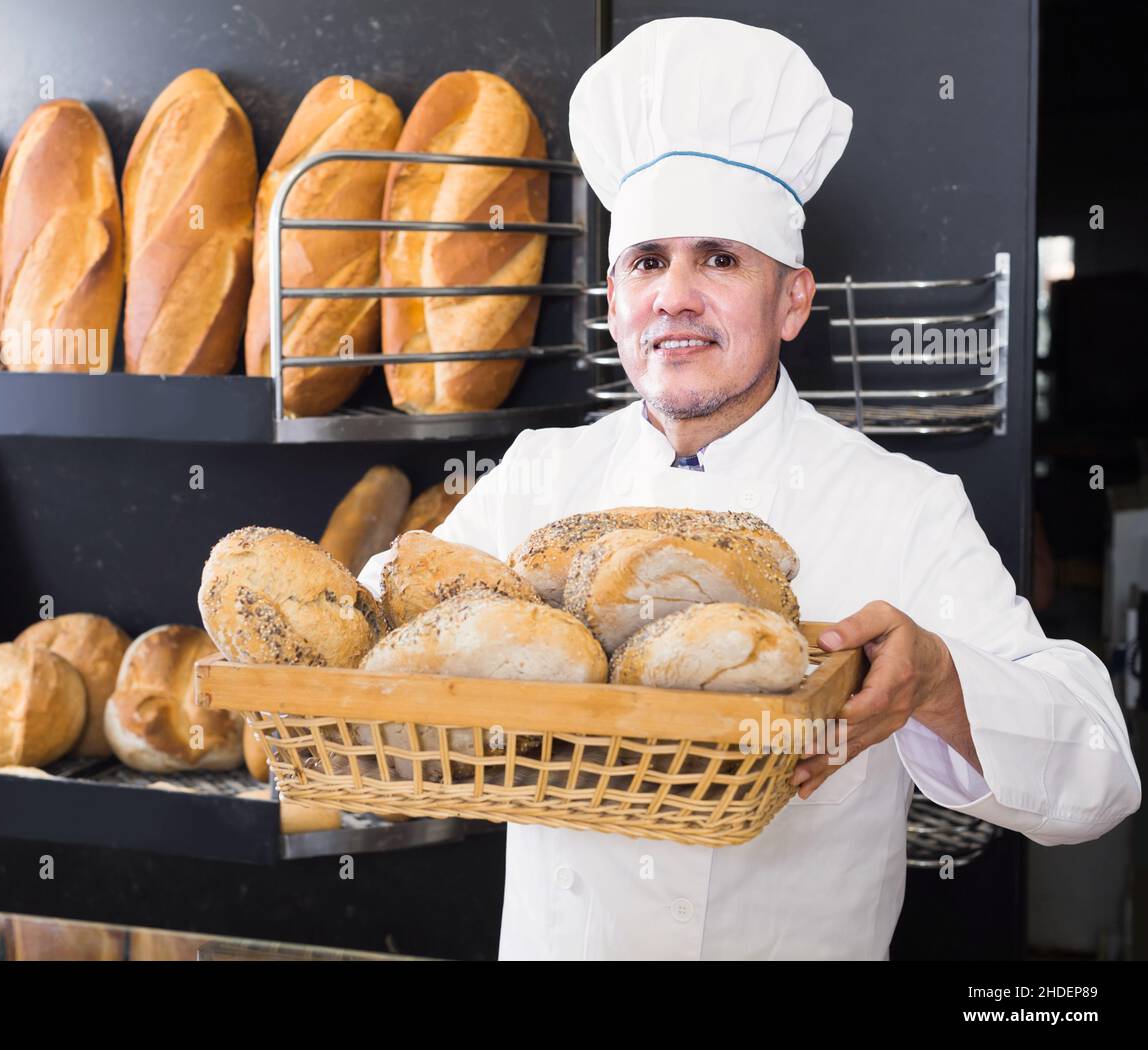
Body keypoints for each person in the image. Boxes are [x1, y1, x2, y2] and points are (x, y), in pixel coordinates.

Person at [358, 16, 1141, 960]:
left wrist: (936, 680)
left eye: (719, 258)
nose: (675, 295)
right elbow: (366, 643)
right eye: (648, 262)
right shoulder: (539, 480)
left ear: (794, 301)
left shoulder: (899, 506)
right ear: (615, 306)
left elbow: (1099, 778)